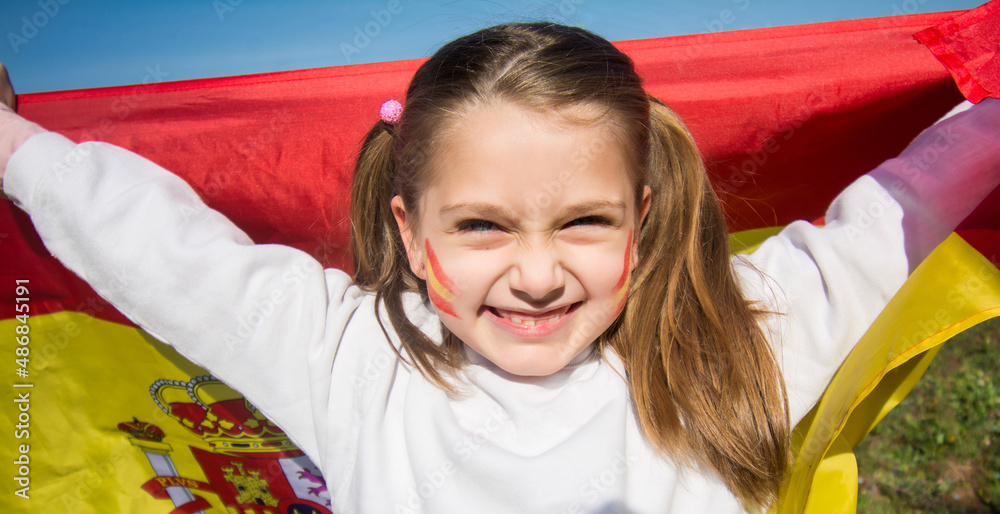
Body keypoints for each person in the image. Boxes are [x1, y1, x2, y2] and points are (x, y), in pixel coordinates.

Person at [1, 22, 998, 514]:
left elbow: (898, 209)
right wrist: (13, 148)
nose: (535, 275)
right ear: (407, 229)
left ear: (643, 222)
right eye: (481, 225)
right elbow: (162, 250)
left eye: (583, 222)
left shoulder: (731, 342)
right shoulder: (349, 355)